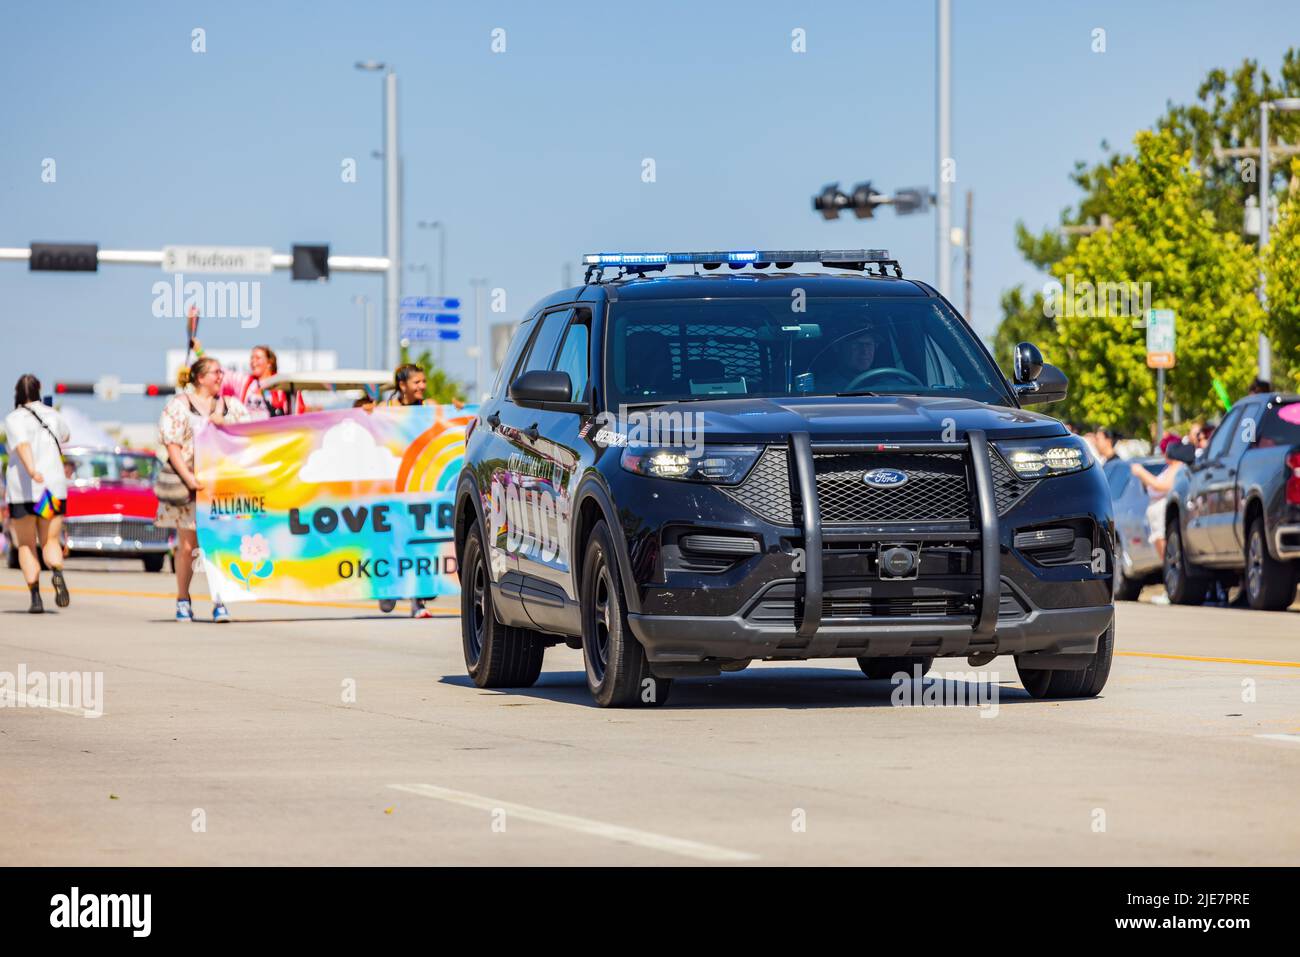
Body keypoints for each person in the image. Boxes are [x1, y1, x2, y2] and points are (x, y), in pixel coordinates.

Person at [157, 357, 251, 623]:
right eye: (215, 372)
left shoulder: (231, 406)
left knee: (218, 546)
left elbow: (250, 433)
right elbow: (172, 445)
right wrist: (188, 478)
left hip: (222, 487)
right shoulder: (179, 405)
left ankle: (220, 600)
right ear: (200, 378)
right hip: (190, 487)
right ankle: (183, 598)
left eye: (222, 372)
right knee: (187, 546)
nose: (221, 377)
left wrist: (225, 424)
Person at [5, 375, 71, 613]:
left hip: (22, 493)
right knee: (50, 540)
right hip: (50, 492)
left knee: (25, 545)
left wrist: (31, 470)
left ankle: (35, 596)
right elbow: (66, 436)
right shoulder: (52, 415)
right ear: (39, 389)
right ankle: (56, 571)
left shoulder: (13, 419)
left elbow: (22, 445)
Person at [382, 363, 434, 617]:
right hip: (392, 485)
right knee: (393, 541)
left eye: (423, 381)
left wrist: (456, 412)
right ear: (402, 386)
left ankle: (417, 602)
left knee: (418, 541)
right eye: (417, 382)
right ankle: (389, 589)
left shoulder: (429, 408)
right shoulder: (387, 410)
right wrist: (368, 413)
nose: (422, 386)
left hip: (420, 486)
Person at [1131, 434, 1186, 603]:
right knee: (1166, 557)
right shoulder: (1169, 468)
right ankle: (1169, 587)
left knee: (1168, 557)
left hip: (1162, 516)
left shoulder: (1177, 467)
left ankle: (1171, 589)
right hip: (1156, 518)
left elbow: (1162, 486)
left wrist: (1141, 473)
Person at [191, 339, 303, 419]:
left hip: (273, 439)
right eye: (251, 358)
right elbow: (216, 371)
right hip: (249, 438)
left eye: (258, 358)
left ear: (270, 363)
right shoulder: (245, 382)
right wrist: (199, 351)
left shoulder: (282, 384)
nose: (253, 362)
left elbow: (297, 414)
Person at [816, 326, 888, 392]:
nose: (865, 351)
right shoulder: (822, 390)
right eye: (856, 344)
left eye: (869, 344)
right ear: (837, 347)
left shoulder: (890, 383)